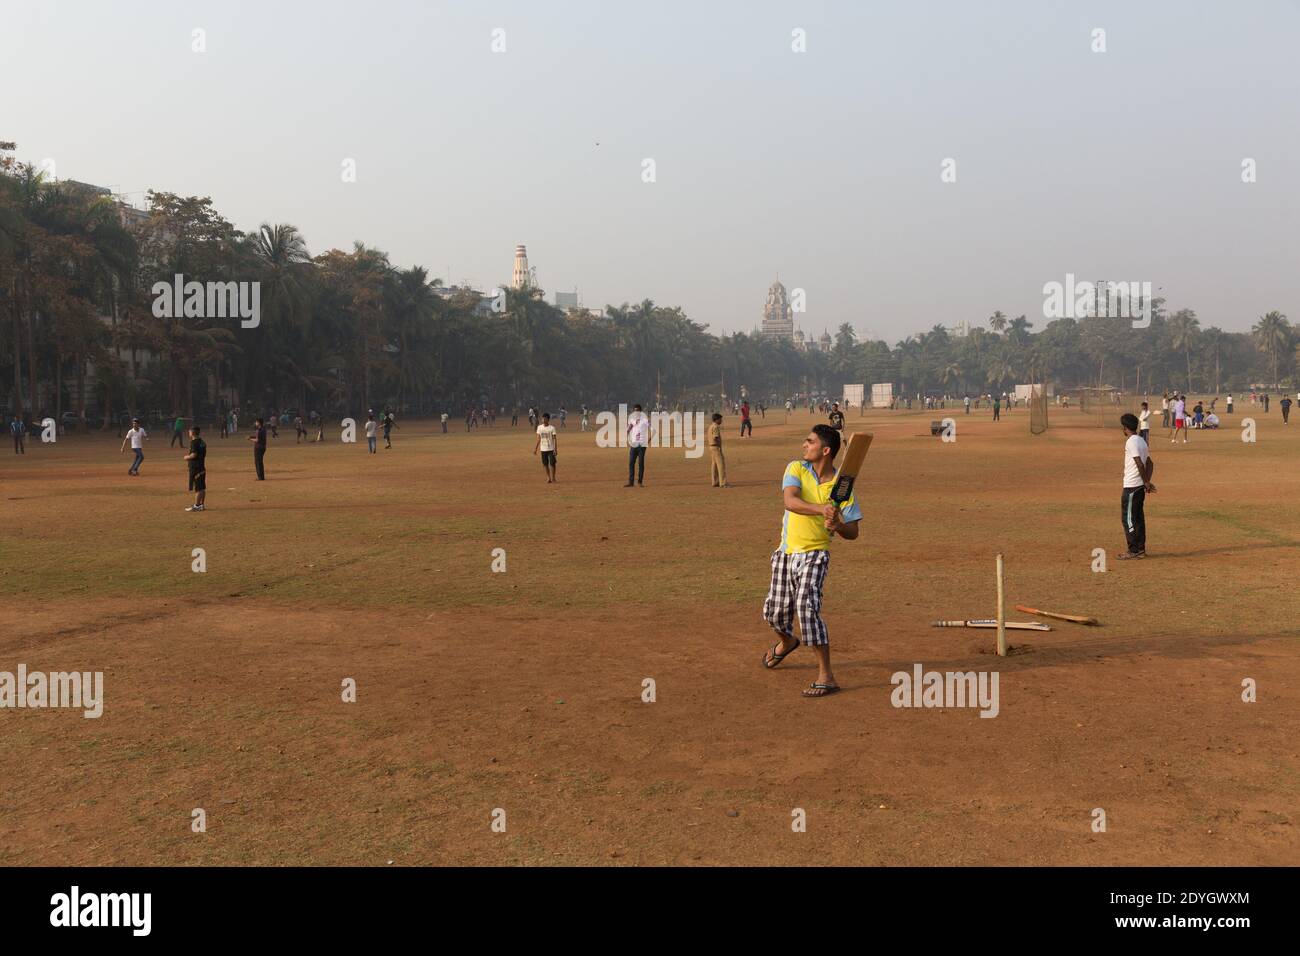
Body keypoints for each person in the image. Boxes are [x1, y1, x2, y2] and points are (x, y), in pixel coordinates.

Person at [761, 424, 862, 698]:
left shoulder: (842, 486)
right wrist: (822, 509)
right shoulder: (795, 468)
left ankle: (826, 676)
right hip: (786, 552)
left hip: (816, 553)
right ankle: (787, 641)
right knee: (774, 614)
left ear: (825, 450)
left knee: (807, 606)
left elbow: (853, 532)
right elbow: (790, 501)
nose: (804, 445)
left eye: (810, 441)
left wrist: (839, 524)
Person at [1117, 413, 1155, 560]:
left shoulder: (1131, 442)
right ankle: (1140, 549)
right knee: (1138, 518)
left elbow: (1140, 463)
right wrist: (1147, 482)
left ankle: (1133, 550)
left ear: (1125, 428)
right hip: (1139, 486)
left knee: (1128, 519)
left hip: (1132, 486)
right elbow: (1150, 463)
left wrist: (1146, 482)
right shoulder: (1142, 441)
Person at [626, 403, 650, 487]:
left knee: (641, 463)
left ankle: (640, 482)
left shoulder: (645, 420)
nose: (636, 412)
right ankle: (631, 482)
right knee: (631, 463)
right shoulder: (632, 420)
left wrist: (649, 439)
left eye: (637, 411)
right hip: (633, 445)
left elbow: (653, 429)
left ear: (640, 411)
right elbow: (628, 429)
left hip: (642, 445)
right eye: (635, 411)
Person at [184, 426, 207, 512]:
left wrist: (186, 457)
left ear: (192, 432)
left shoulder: (194, 442)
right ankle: (201, 505)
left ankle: (197, 505)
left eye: (189, 431)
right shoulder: (202, 442)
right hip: (201, 466)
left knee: (198, 488)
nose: (188, 432)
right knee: (202, 487)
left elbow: (194, 455)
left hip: (196, 467)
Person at [534, 412, 558, 483]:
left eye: (544, 418)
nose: (543, 419)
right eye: (542, 418)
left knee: (552, 463)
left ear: (548, 419)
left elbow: (554, 439)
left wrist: (555, 449)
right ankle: (548, 477)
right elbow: (539, 439)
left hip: (551, 448)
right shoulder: (539, 427)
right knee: (545, 464)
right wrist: (536, 448)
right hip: (543, 449)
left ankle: (553, 477)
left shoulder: (552, 428)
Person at [707, 412, 727, 487]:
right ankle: (723, 483)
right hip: (716, 447)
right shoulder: (716, 427)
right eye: (720, 419)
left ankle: (715, 482)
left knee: (714, 465)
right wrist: (719, 446)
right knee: (721, 465)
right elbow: (716, 437)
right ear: (716, 420)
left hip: (711, 447)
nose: (721, 421)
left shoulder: (711, 426)